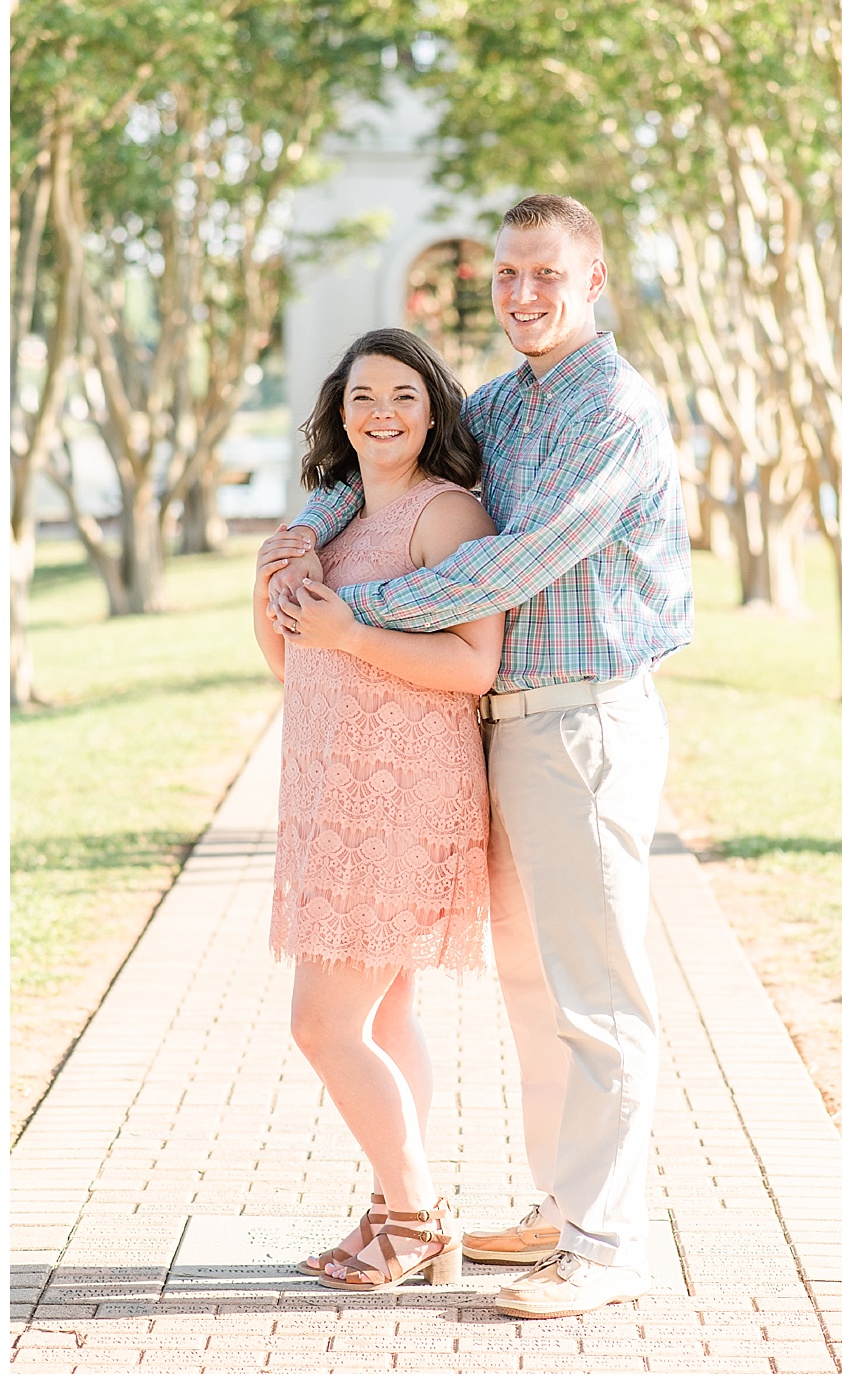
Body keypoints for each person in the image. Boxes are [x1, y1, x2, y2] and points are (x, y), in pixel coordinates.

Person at [265, 193, 692, 1320]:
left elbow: (519, 558)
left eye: (546, 273)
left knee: (598, 991)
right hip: (503, 726)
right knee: (533, 985)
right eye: (507, 273)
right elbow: (382, 463)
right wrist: (309, 529)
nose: (522, 293)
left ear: (593, 279)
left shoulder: (615, 410)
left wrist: (354, 615)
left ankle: (609, 1244)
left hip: (584, 719)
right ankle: (562, 1207)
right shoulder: (501, 405)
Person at [253, 327, 499, 1291]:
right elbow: (291, 661)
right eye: (362, 397)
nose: (381, 413)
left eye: (403, 395)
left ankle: (420, 1218)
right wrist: (270, 586)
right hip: (330, 793)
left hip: (404, 797)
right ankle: (395, 1205)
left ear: (432, 411)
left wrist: (348, 630)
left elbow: (473, 665)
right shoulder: (337, 522)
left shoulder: (449, 516)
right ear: (340, 413)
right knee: (385, 1014)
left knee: (322, 1025)